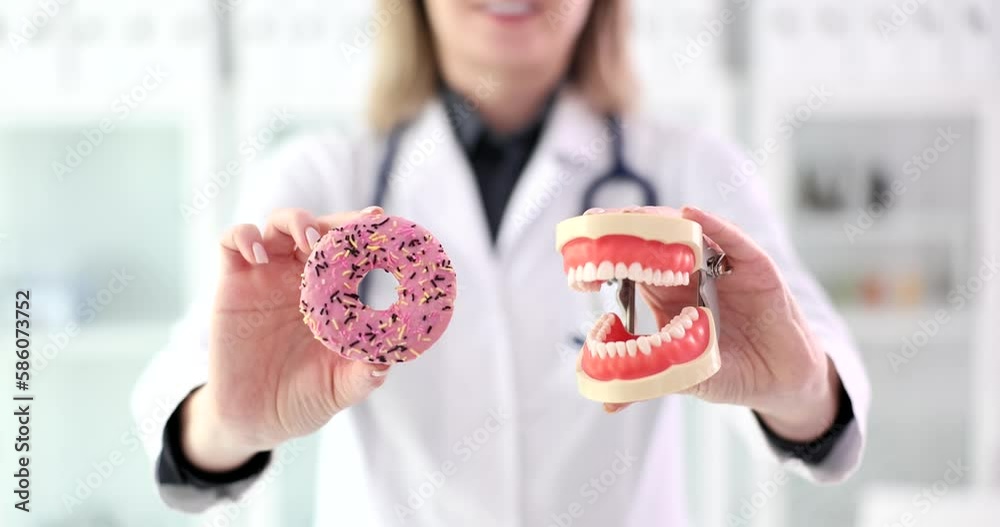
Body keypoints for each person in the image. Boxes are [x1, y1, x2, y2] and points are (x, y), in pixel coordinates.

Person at [132, 0, 870, 525]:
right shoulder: (321, 178)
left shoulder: (692, 169)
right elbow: (176, 403)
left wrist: (800, 385)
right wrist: (227, 423)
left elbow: (828, 409)